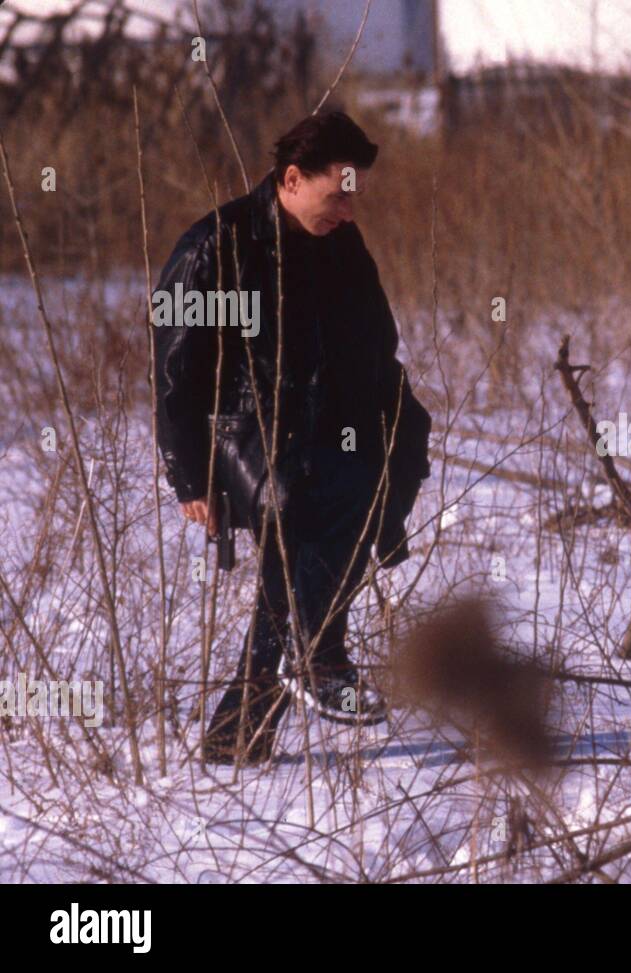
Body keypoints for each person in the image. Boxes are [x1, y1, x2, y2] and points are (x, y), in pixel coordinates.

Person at [151, 111, 432, 765]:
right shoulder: (215, 245)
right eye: (337, 196)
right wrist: (188, 474)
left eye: (353, 196)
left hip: (324, 425)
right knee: (298, 502)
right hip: (236, 427)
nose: (346, 212)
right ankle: (320, 653)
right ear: (293, 179)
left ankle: (240, 728)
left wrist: (392, 422)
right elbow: (172, 370)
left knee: (381, 466)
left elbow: (375, 341)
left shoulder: (342, 243)